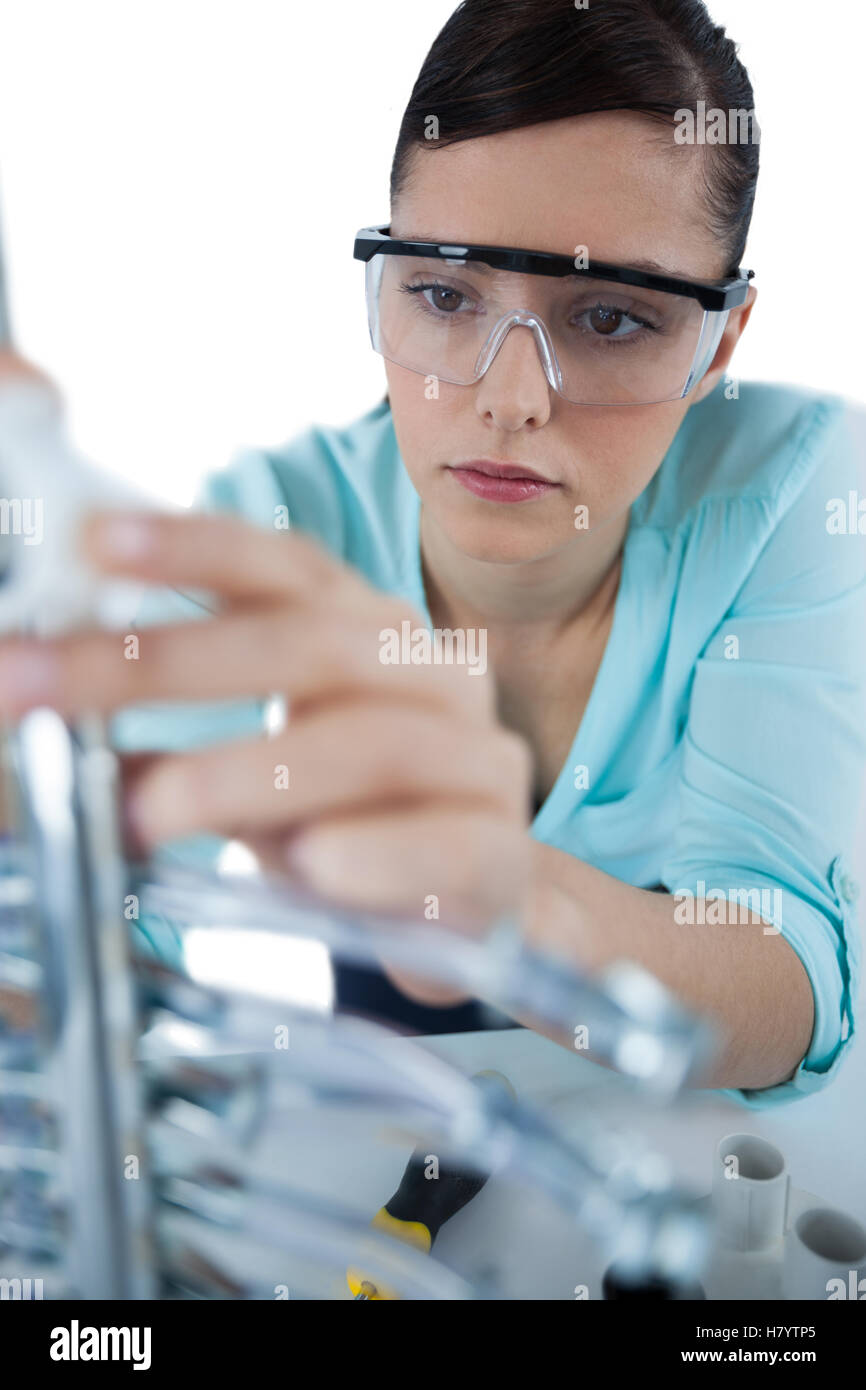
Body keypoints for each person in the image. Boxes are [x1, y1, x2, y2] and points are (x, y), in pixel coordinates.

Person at [0, 0, 863, 1106]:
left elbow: (787, 985)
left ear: (717, 342)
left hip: (665, 1106)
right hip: (391, 1094)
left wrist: (520, 906)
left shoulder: (787, 484)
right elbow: (108, 933)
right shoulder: (271, 528)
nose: (508, 401)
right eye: (444, 294)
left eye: (607, 319)